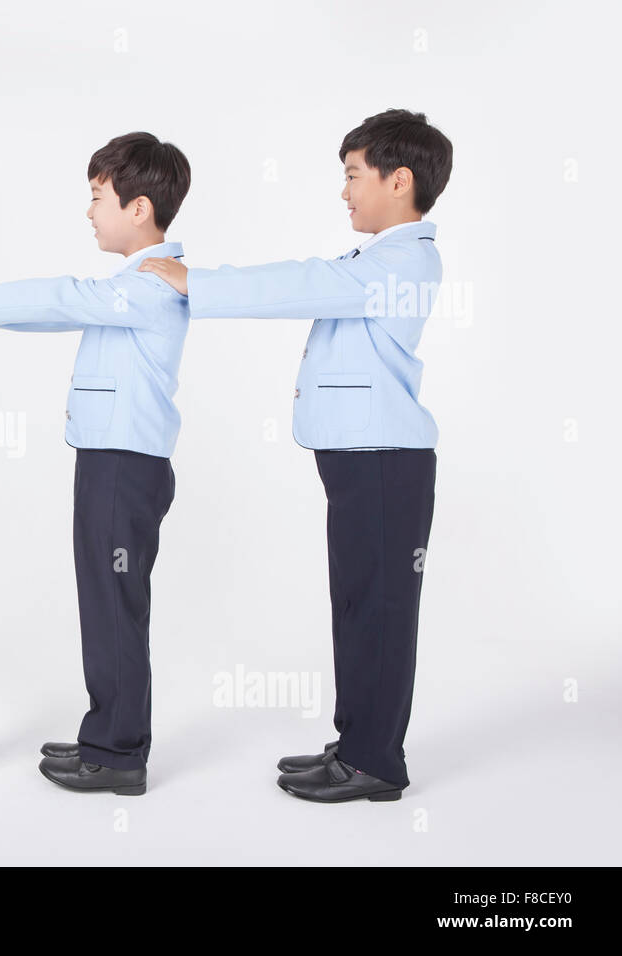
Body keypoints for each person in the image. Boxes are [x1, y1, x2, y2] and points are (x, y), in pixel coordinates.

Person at [139, 108, 453, 802]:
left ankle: (376, 764)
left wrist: (199, 282)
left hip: (383, 456)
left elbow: (298, 282)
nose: (344, 192)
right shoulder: (375, 258)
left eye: (353, 176)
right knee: (356, 603)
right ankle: (357, 741)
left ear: (399, 181)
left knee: (380, 609)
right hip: (359, 455)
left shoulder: (405, 259)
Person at [0, 132, 191, 796]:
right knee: (105, 600)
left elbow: (61, 299)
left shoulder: (150, 284)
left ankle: (118, 755)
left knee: (115, 604)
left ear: (139, 207)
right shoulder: (131, 282)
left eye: (97, 198)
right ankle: (106, 735)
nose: (89, 212)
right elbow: (54, 314)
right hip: (112, 460)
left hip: (124, 465)